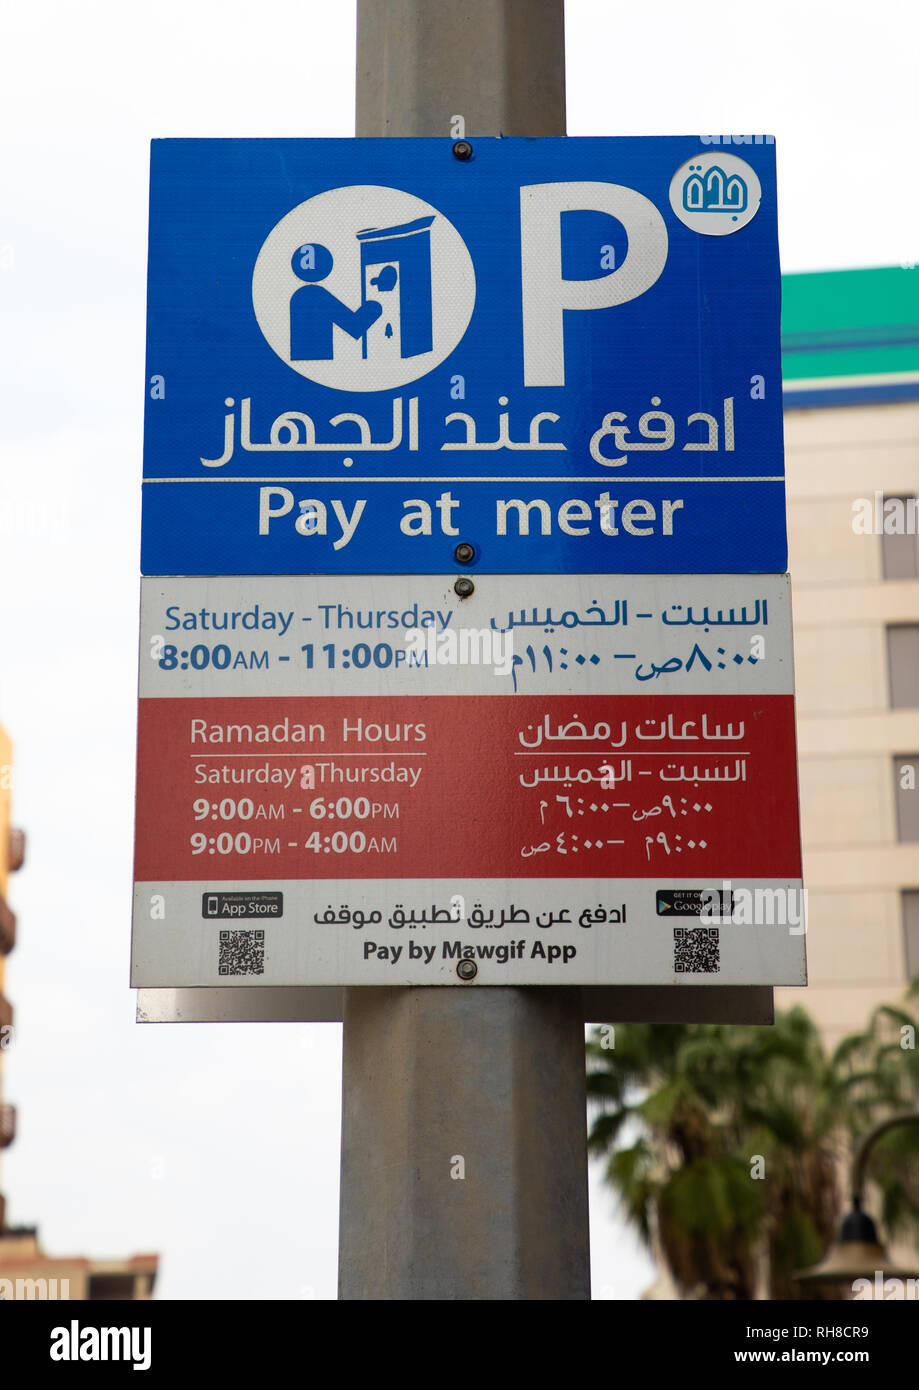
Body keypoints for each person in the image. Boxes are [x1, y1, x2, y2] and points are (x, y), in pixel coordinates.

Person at [288, 243, 382, 360]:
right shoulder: (318, 295)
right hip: (320, 363)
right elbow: (354, 327)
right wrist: (376, 305)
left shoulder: (298, 295)